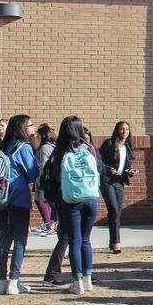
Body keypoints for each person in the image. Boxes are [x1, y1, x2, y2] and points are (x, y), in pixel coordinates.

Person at [53, 116, 100, 295]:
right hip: (91, 198)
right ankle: (88, 279)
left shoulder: (61, 150)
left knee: (75, 240)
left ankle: (77, 281)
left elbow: (57, 174)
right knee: (86, 240)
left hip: (71, 199)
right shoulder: (89, 148)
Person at [0, 115, 40, 295]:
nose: (33, 127)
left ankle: (0, 282)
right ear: (22, 128)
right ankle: (14, 282)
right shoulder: (24, 147)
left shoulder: (4, 145)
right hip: (19, 198)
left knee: (4, 239)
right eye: (30, 125)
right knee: (20, 240)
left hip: (1, 199)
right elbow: (31, 174)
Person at [99, 121, 137, 255]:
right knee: (114, 210)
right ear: (117, 130)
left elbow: (126, 165)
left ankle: (112, 241)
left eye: (127, 129)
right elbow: (99, 161)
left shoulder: (127, 146)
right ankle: (116, 243)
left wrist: (130, 171)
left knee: (116, 212)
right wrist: (108, 169)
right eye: (122, 129)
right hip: (107, 181)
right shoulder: (109, 144)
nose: (124, 131)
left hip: (119, 182)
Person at [33, 123, 58, 236]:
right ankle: (51, 224)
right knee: (52, 204)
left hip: (45, 179)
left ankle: (50, 225)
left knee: (44, 201)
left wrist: (40, 181)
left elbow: (43, 166)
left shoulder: (44, 148)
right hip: (52, 179)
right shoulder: (53, 145)